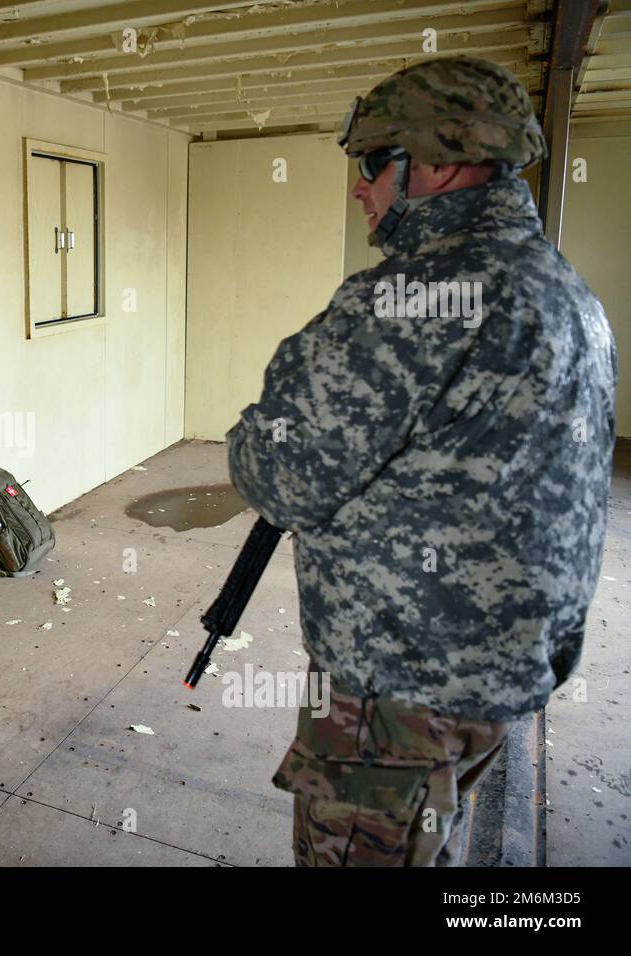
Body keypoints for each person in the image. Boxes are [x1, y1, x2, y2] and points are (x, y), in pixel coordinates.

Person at [226, 56, 616, 866]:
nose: (359, 189)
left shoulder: (407, 300)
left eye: (372, 163)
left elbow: (274, 474)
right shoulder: (566, 292)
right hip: (500, 675)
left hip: (399, 689)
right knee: (429, 844)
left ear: (437, 164)